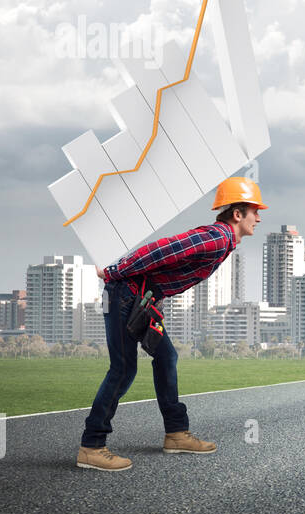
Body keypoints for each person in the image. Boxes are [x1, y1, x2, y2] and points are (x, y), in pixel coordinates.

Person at [76, 177, 267, 471]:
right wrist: (114, 272)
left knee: (166, 356)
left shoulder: (224, 241)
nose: (259, 216)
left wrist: (156, 298)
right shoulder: (217, 237)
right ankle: (92, 446)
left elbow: (168, 268)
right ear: (238, 214)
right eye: (255, 210)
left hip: (140, 298)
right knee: (123, 369)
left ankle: (176, 433)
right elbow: (162, 250)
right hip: (125, 294)